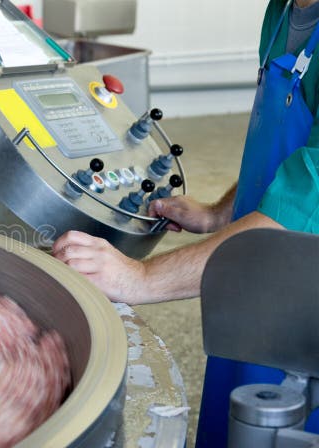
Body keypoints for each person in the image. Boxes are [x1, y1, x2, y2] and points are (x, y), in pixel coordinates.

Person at [51, 0, 319, 445]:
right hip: (258, 280)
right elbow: (286, 154)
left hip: (305, 291)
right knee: (238, 409)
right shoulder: (282, 12)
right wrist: (222, 212)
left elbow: (303, 209)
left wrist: (140, 278)